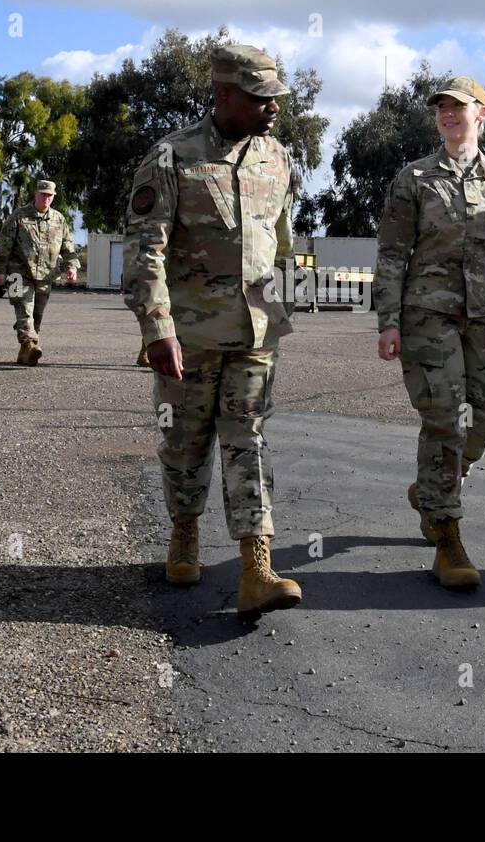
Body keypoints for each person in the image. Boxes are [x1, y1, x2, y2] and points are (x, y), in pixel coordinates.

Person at [123, 43, 301, 620]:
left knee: (248, 440)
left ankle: (256, 565)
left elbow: (282, 242)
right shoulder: (172, 156)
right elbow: (144, 249)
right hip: (190, 335)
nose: (271, 109)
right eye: (258, 99)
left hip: (255, 332)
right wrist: (157, 330)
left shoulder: (276, 158)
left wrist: (288, 307)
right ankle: (184, 533)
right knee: (185, 442)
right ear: (225, 95)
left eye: (275, 98)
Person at [374, 76, 485, 590]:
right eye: (441, 108)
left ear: (481, 114)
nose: (448, 114)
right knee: (445, 420)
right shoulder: (415, 179)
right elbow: (393, 253)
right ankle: (447, 536)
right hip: (429, 319)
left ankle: (430, 486)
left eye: (458, 107)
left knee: (483, 423)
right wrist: (389, 321)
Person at [0, 178, 79, 365]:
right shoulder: (18, 216)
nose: (46, 199)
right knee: (24, 310)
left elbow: (68, 246)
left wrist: (72, 267)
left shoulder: (59, 219)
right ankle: (30, 345)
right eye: (43, 195)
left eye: (50, 196)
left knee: (36, 316)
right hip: (18, 274)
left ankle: (26, 349)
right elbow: (3, 246)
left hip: (45, 276)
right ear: (36, 194)